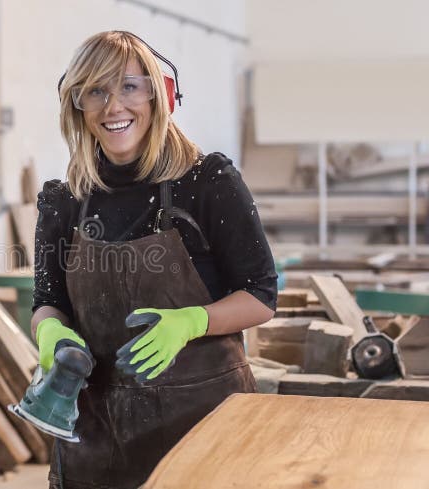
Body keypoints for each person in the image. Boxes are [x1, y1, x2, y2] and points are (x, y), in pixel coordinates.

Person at [31, 31, 278, 489]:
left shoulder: (208, 181)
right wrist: (49, 332)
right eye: (96, 91)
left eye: (129, 86)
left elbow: (262, 295)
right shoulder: (64, 201)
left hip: (205, 430)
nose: (113, 107)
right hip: (96, 439)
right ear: (77, 106)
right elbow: (47, 300)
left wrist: (191, 321)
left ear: (160, 95)